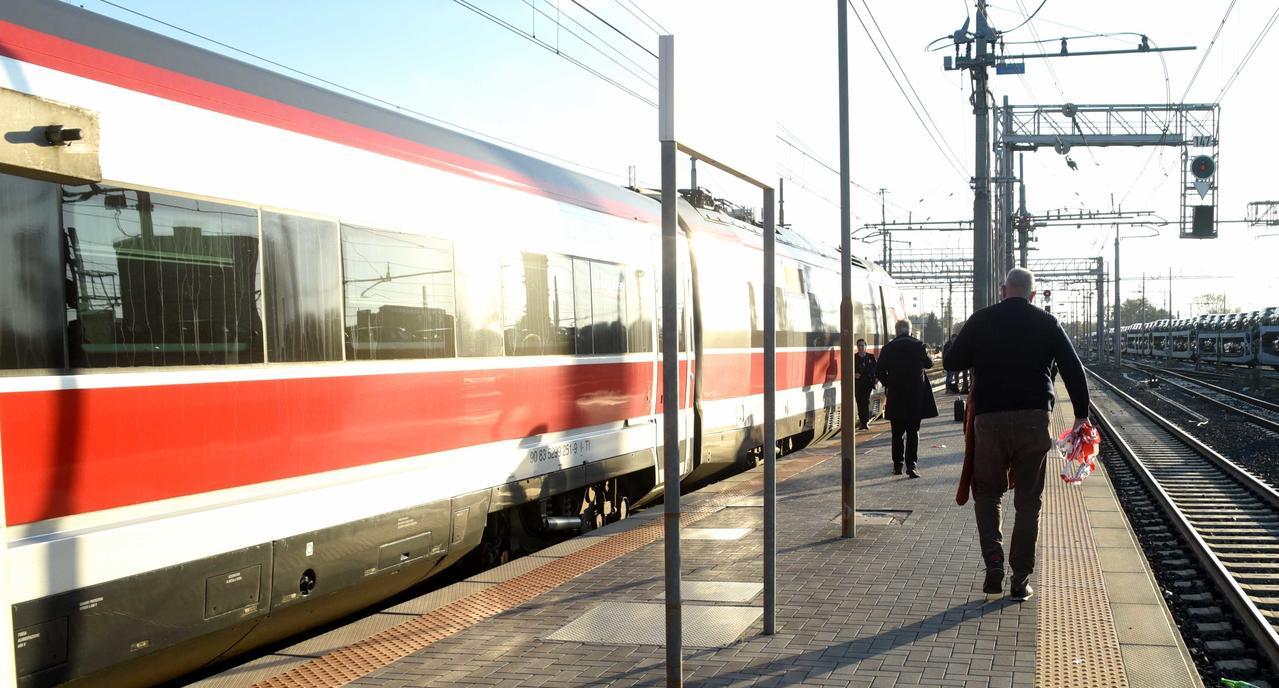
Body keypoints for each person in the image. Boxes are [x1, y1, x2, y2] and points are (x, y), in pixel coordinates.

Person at [943, 267, 1089, 602]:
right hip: (1034, 419)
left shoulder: (982, 319)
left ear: (1003, 290)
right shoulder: (1046, 322)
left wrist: (976, 347)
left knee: (988, 493)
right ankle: (1020, 579)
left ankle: (993, 562)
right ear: (1033, 295)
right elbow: (1073, 368)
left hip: (989, 419)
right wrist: (1081, 414)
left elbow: (952, 360)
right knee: (1027, 502)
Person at [875, 319, 938, 477]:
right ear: (910, 331)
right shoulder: (919, 346)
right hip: (915, 397)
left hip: (896, 397)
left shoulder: (888, 348)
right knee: (913, 431)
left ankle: (897, 465)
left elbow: (878, 372)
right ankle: (912, 465)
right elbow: (929, 364)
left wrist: (890, 383)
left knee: (897, 433)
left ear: (896, 331)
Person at [854, 338, 876, 430]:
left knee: (865, 401)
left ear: (866, 347)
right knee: (859, 401)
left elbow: (876, 368)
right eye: (859, 345)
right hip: (858, 384)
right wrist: (854, 374)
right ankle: (862, 421)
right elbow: (848, 370)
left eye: (862, 345)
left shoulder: (871, 357)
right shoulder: (854, 358)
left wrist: (877, 379)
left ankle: (865, 422)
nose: (861, 347)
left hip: (868, 383)